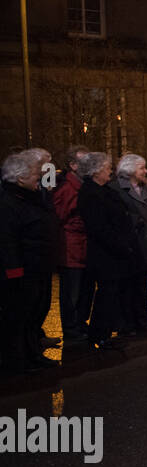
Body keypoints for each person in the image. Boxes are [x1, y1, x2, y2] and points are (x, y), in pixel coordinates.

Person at [1, 150, 58, 372]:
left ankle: (34, 354)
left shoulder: (30, 197)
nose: (40, 177)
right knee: (19, 318)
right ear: (20, 177)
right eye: (35, 174)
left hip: (39, 268)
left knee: (35, 314)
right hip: (24, 272)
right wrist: (15, 273)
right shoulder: (8, 203)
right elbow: (8, 242)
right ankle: (18, 361)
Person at [78, 152, 140, 351]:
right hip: (106, 254)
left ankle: (106, 331)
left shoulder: (104, 190)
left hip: (116, 252)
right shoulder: (90, 193)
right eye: (106, 168)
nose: (110, 172)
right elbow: (99, 227)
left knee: (112, 294)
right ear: (96, 171)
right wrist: (121, 244)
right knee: (106, 294)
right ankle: (99, 334)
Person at [114, 154, 147, 336]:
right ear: (130, 169)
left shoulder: (145, 190)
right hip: (131, 247)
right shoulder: (117, 190)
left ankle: (142, 322)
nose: (146, 171)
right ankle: (127, 324)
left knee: (141, 288)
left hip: (146, 246)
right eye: (142, 168)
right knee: (127, 288)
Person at [52, 145, 91, 346]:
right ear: (73, 165)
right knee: (71, 290)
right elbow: (59, 217)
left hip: (81, 245)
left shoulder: (81, 185)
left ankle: (79, 323)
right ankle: (71, 328)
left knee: (83, 288)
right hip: (71, 246)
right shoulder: (67, 188)